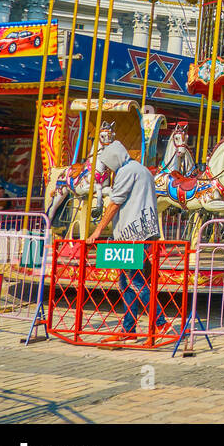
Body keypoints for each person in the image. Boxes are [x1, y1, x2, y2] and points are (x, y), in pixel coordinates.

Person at [86, 142, 168, 338]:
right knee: (126, 284)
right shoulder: (142, 170)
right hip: (143, 232)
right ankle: (128, 329)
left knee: (135, 282)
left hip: (133, 235)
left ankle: (161, 323)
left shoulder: (126, 171)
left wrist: (98, 230)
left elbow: (115, 203)